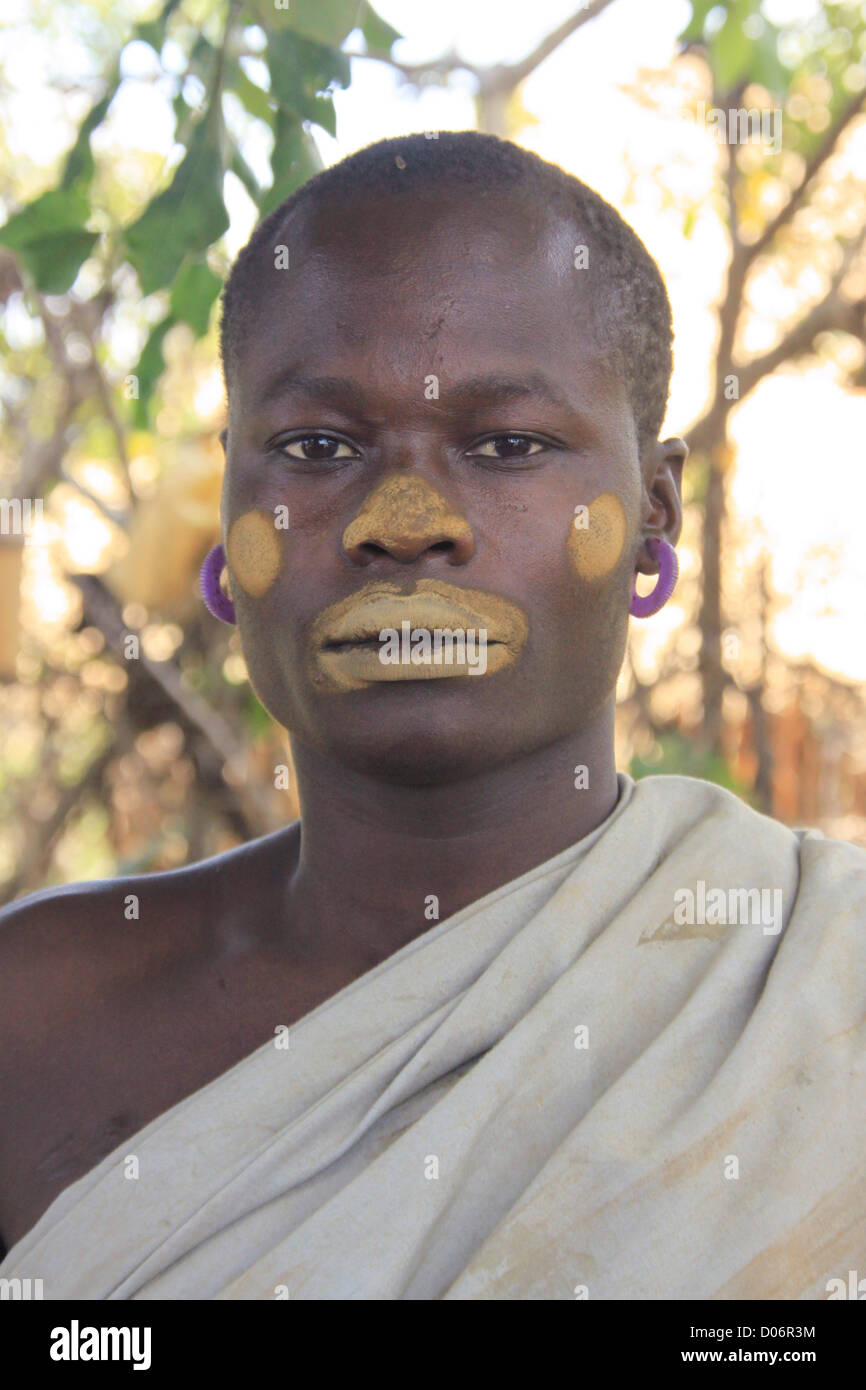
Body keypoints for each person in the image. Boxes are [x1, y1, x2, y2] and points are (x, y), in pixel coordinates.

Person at [0, 132, 863, 1300]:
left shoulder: (817, 985)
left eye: (506, 444)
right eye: (317, 446)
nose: (403, 520)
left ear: (652, 510)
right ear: (230, 505)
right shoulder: (38, 1015)